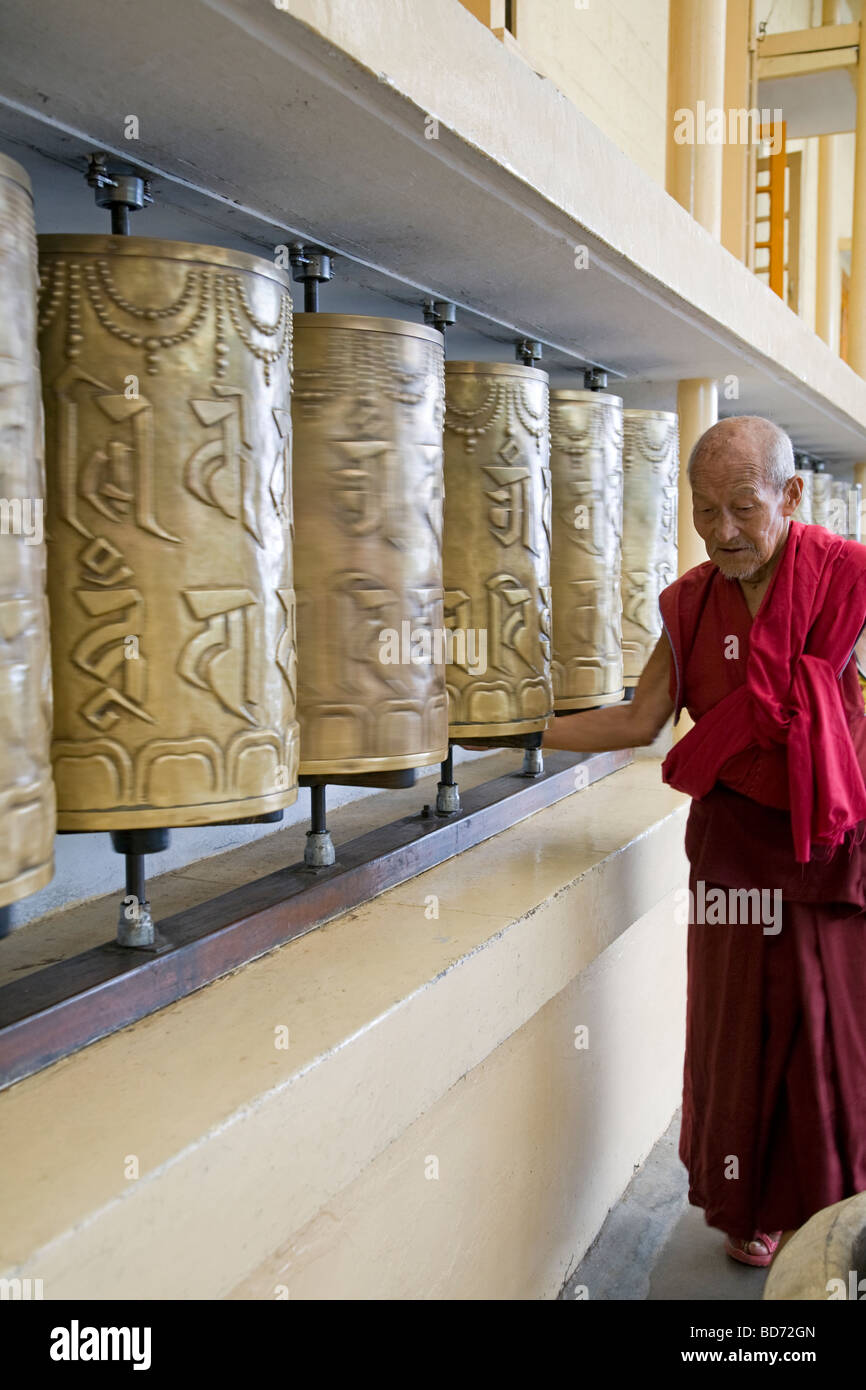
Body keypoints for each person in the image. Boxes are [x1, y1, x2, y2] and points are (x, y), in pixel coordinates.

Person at [474, 415, 866, 1268]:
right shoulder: (691, 605)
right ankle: (750, 1209)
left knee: (830, 1028)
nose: (723, 532)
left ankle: (831, 1216)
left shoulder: (848, 580)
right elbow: (644, 719)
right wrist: (513, 730)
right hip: (733, 848)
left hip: (826, 844)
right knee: (737, 1029)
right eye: (705, 511)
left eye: (743, 508)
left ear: (790, 497)